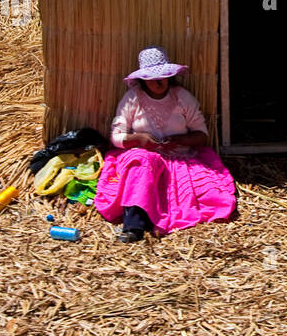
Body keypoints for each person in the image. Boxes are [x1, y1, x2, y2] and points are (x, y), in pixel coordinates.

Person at [95, 47, 237, 242]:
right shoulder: (133, 99)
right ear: (143, 79)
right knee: (143, 163)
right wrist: (139, 139)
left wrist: (180, 140)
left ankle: (157, 221)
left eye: (163, 76)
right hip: (142, 157)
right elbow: (116, 136)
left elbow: (202, 134)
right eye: (153, 78)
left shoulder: (182, 97)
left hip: (180, 159)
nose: (159, 82)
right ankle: (134, 226)